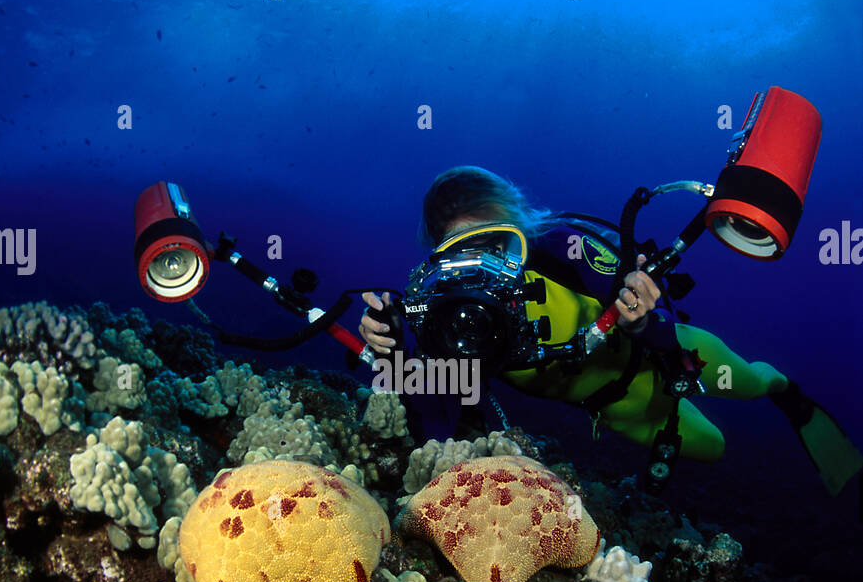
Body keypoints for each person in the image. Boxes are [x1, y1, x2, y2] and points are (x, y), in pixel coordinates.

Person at [359, 166, 862, 495]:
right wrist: (387, 348)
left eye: (495, 243)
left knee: (747, 383)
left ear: (516, 225)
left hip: (671, 360)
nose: (483, 267)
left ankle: (783, 388)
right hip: (620, 410)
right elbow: (435, 399)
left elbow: (654, 320)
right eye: (462, 254)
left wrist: (642, 318)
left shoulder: (561, 248)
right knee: (716, 448)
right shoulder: (452, 311)